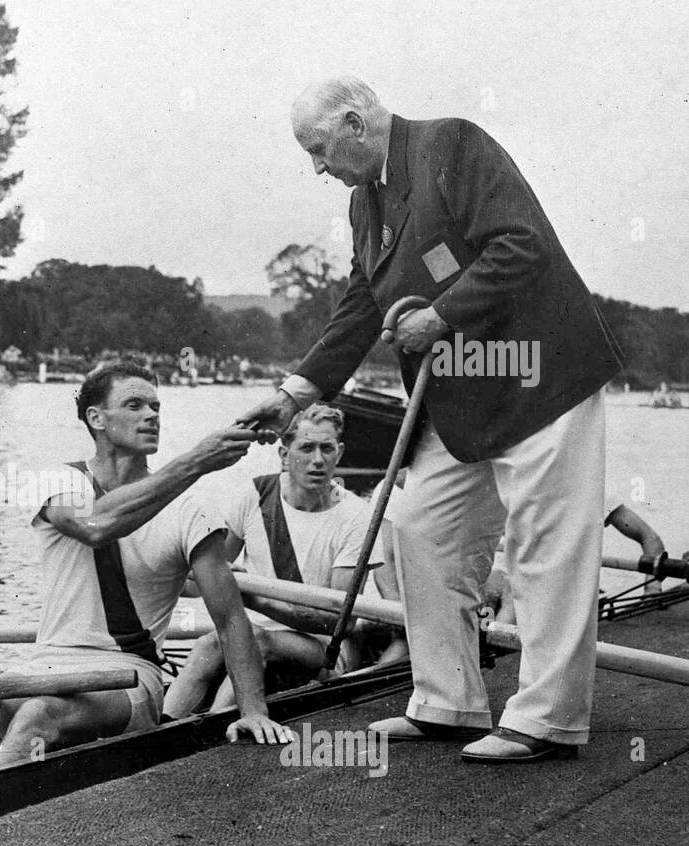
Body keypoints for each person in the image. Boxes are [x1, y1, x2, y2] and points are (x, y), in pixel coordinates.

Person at [239, 77, 624, 764]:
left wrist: (441, 316)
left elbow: (521, 243)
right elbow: (363, 303)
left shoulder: (453, 145)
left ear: (356, 123)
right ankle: (448, 702)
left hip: (538, 378)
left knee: (546, 544)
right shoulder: (366, 202)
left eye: (320, 150)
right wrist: (297, 392)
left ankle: (548, 719)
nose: (317, 168)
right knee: (422, 532)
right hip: (461, 396)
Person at [0, 361, 294, 791]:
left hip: (130, 676)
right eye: (135, 404)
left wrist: (253, 710)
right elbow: (95, 525)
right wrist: (195, 460)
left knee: (38, 714)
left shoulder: (191, 511)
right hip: (48, 660)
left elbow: (231, 618)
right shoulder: (59, 481)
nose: (152, 415)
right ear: (95, 418)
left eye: (156, 406)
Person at [162, 404, 382, 718]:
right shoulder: (253, 495)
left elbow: (339, 623)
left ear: (340, 452)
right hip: (255, 633)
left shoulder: (357, 516)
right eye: (306, 448)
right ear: (283, 454)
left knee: (253, 641)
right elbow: (207, 576)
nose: (317, 460)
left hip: (324, 651)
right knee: (206, 646)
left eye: (327, 449)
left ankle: (212, 735)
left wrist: (256, 600)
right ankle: (160, 730)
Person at [485, 496, 670, 624]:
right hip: (519, 580)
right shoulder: (512, 488)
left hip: (560, 586)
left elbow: (651, 539)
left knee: (511, 592)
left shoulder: (593, 493)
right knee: (490, 585)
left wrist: (651, 591)